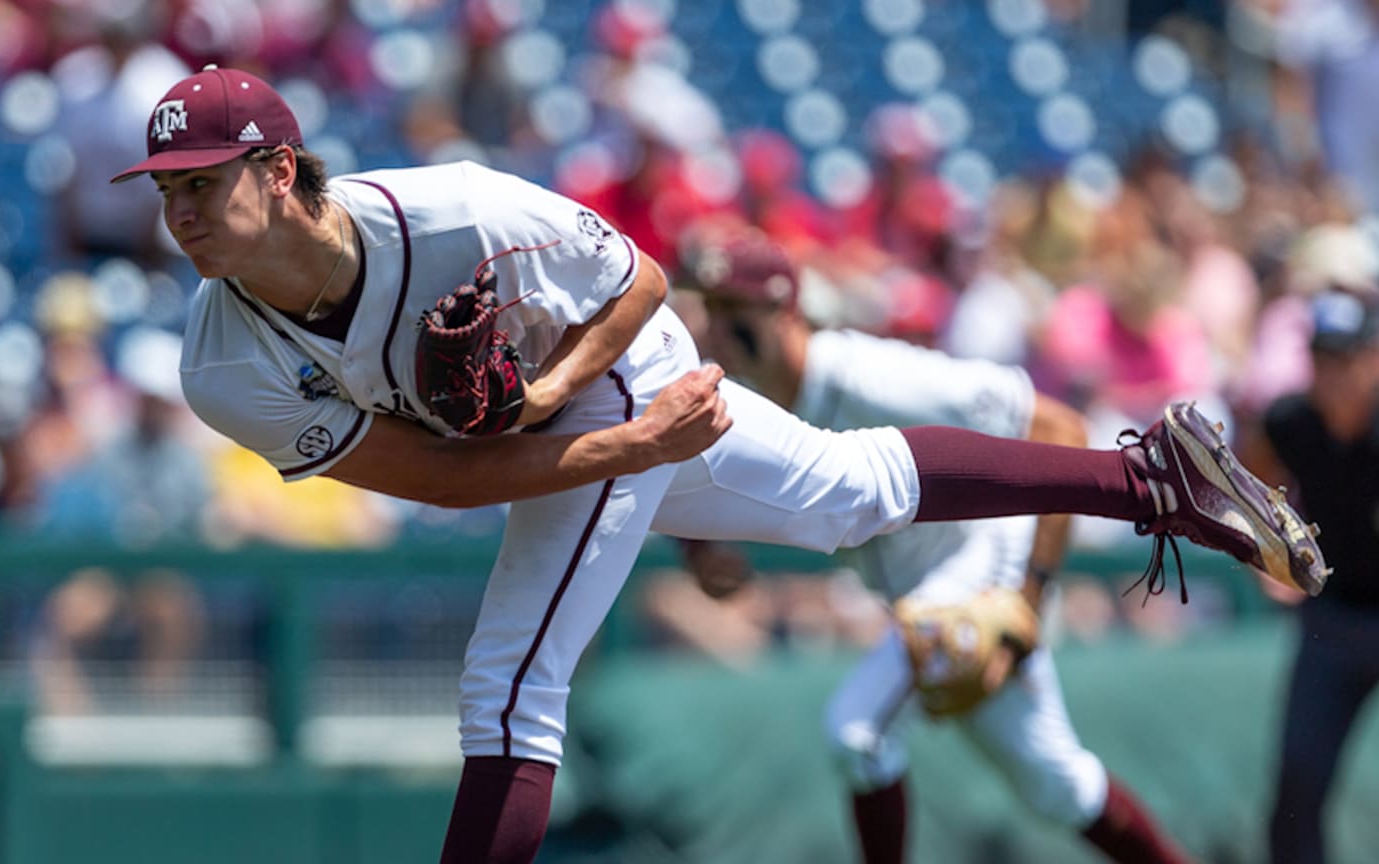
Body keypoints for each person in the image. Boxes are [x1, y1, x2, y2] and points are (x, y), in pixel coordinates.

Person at [110, 66, 1326, 863]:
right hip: (566, 435)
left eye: (204, 183)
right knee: (855, 495)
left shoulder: (455, 210)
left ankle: (1153, 479)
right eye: (167, 192)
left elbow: (641, 280)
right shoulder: (220, 365)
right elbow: (442, 482)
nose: (183, 212)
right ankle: (1156, 481)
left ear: (279, 170)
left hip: (629, 365)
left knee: (506, 687)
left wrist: (573, 406)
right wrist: (603, 446)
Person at [683, 227, 1191, 863]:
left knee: (857, 732)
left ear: (785, 307)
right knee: (1058, 785)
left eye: (736, 310)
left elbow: (1059, 425)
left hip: (982, 562)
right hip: (914, 588)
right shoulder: (744, 395)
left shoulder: (869, 373)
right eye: (712, 308)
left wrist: (1029, 596)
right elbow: (684, 460)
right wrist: (697, 553)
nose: (720, 327)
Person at [1239, 289, 1379, 864]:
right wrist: (1263, 557)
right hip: (1335, 616)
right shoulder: (1292, 421)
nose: (1333, 373)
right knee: (1298, 778)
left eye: (1346, 358)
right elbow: (1244, 482)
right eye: (1322, 358)